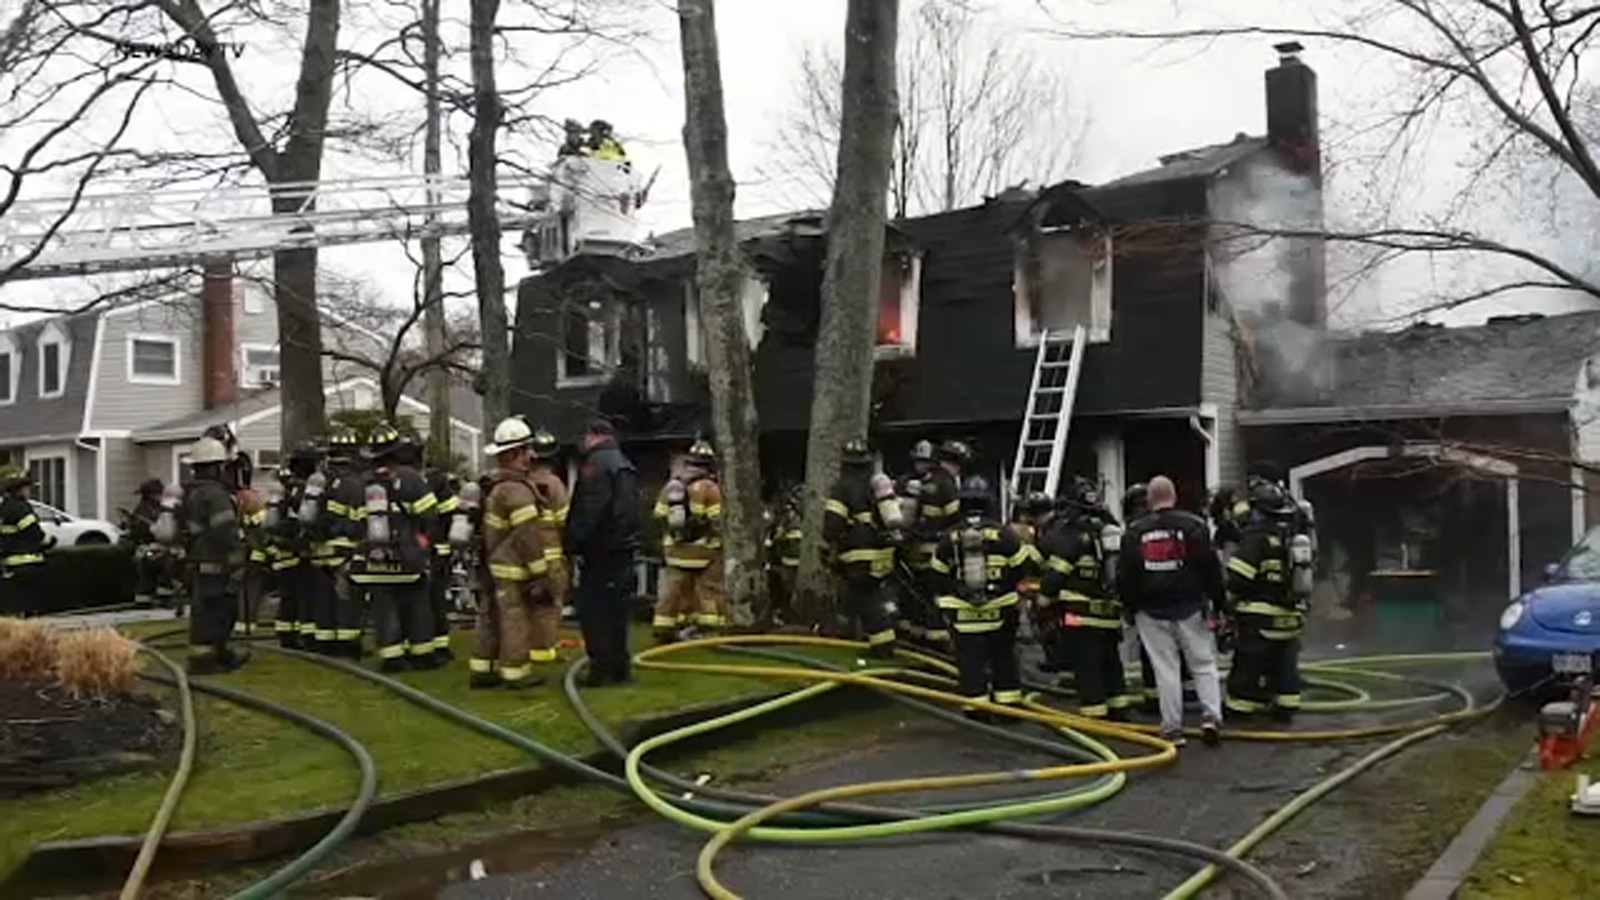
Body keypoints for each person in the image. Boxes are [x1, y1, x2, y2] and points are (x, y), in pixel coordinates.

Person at [1119, 475, 1225, 746]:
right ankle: (1211, 717)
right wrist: (1219, 605)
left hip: (1150, 610)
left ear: (1150, 500)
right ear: (1174, 496)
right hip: (1191, 605)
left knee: (1165, 669)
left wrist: (1129, 608)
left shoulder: (1134, 532)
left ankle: (1172, 729)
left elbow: (1125, 575)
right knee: (1203, 664)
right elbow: (1211, 568)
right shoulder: (1194, 526)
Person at [929, 475, 1029, 720]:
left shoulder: (949, 537)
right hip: (1000, 611)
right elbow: (1022, 566)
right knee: (1003, 657)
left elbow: (936, 575)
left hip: (963, 614)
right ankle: (1008, 709)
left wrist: (954, 593)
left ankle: (977, 710)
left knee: (970, 663)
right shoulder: (1004, 534)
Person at [1038, 476, 1134, 720]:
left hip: (1081, 616)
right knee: (1111, 664)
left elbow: (1056, 575)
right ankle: (1119, 708)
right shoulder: (1110, 531)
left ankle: (1095, 716)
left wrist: (1044, 597)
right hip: (1109, 615)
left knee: (1087, 666)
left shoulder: (1073, 536)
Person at [351, 423, 441, 672]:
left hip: (375, 558)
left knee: (384, 608)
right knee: (417, 606)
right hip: (407, 558)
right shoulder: (411, 478)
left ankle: (392, 657)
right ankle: (422, 654)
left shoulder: (363, 483)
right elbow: (430, 515)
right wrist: (422, 542)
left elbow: (357, 521)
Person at [473, 416, 553, 689]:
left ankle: (484, 669)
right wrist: (540, 574)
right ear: (515, 454)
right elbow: (528, 537)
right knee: (515, 618)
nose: (532, 455)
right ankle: (516, 673)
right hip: (513, 568)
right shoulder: (517, 492)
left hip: (494, 565)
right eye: (527, 449)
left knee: (491, 616)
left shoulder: (497, 486)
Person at [1225, 478, 1313, 722]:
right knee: (1285, 665)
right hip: (1290, 615)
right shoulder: (1292, 536)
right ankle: (1286, 705)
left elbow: (1238, 578)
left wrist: (1228, 597)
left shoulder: (1256, 537)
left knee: (1248, 664)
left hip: (1259, 615)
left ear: (1257, 510)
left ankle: (1240, 708)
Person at [565, 419, 642, 687]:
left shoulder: (596, 465)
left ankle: (602, 669)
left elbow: (590, 510)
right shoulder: (624, 464)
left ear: (594, 436)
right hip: (622, 550)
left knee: (595, 613)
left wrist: (574, 544)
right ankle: (620, 668)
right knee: (617, 614)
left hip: (601, 551)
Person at [823, 439, 900, 657]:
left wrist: (831, 543)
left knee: (864, 601)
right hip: (883, 555)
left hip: (859, 556)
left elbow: (832, 524)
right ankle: (877, 637)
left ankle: (883, 647)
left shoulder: (842, 487)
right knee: (874, 596)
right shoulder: (875, 485)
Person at [180, 437, 247, 674]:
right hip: (218, 565)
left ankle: (217, 655)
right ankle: (205, 661)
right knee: (219, 613)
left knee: (207, 612)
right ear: (217, 467)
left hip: (200, 563)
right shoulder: (215, 495)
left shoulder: (191, 493)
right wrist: (238, 559)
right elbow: (225, 531)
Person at [651, 439, 726, 641]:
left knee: (673, 591)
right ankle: (708, 629)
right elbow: (717, 522)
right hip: (704, 552)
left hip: (675, 551)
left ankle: (664, 628)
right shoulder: (710, 488)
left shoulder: (671, 487)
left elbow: (659, 516)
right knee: (708, 590)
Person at [313, 429, 367, 659]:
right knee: (348, 603)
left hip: (320, 553)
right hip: (344, 553)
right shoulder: (354, 485)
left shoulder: (319, 481)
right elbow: (359, 522)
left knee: (325, 602)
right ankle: (348, 646)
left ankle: (324, 644)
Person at [912, 440, 970, 645]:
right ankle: (937, 640)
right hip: (938, 551)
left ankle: (917, 637)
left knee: (921, 593)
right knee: (940, 594)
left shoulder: (926, 481)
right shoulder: (947, 484)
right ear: (957, 464)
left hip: (919, 549)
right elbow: (955, 520)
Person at [525, 429, 571, 670]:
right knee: (549, 605)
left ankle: (521, 647)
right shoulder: (554, 485)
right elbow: (564, 521)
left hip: (523, 556)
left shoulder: (521, 483)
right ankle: (544, 651)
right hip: (550, 556)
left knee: (524, 605)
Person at [271, 440, 322, 649]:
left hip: (282, 550)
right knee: (306, 596)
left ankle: (286, 635)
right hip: (300, 551)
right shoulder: (306, 491)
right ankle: (307, 636)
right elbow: (308, 520)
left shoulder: (285, 486)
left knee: (287, 596)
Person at [0, 470, 52, 616]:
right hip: (29, 563)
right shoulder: (21, 509)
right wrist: (50, 541)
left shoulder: (4, 509)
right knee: (32, 605)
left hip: (10, 564)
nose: (29, 491)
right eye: (27, 488)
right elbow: (35, 533)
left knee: (18, 605)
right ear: (19, 490)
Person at [125, 478, 171, 608]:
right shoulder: (146, 511)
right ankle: (161, 597)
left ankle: (146, 599)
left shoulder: (154, 509)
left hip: (149, 546)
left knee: (150, 573)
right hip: (147, 547)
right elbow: (140, 531)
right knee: (164, 565)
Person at [764, 484, 804, 625]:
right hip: (786, 561)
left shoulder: (788, 517)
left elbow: (778, 538)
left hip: (789, 561)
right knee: (784, 589)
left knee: (787, 590)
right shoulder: (787, 516)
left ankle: (788, 616)